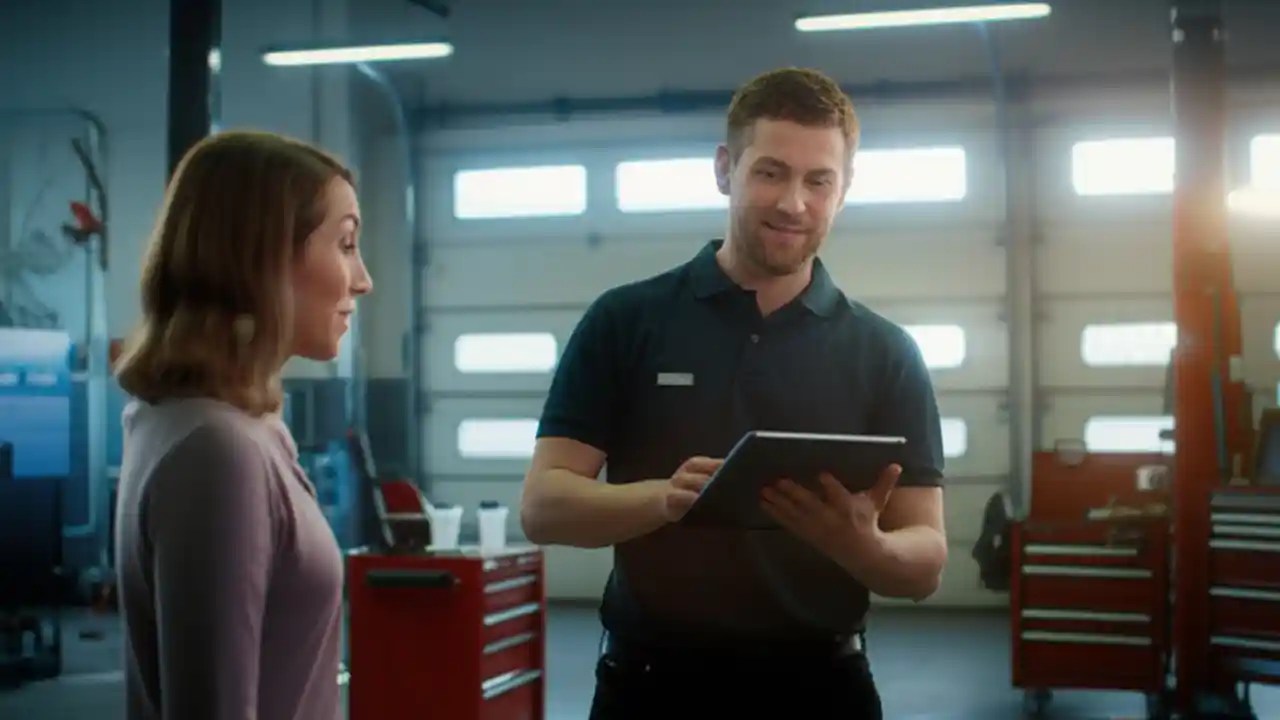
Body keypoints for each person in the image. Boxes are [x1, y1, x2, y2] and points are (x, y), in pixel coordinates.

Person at [520, 67, 947, 719]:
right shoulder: (626, 321)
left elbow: (925, 563)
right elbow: (544, 506)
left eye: (818, 180)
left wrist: (865, 546)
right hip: (653, 688)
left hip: (821, 692)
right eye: (770, 172)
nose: (793, 203)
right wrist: (663, 499)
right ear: (726, 169)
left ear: (845, 187)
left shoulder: (885, 353)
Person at [112, 130, 373, 720]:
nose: (362, 279)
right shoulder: (219, 450)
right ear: (264, 255)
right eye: (346, 243)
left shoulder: (205, 424)